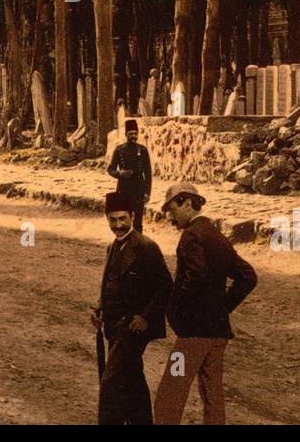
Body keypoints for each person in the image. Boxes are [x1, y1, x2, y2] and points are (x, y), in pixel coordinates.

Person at [153, 183, 257, 426]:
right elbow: (248, 277)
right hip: (218, 333)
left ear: (187, 203)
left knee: (171, 391)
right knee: (213, 396)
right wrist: (221, 308)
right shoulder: (216, 235)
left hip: (192, 336)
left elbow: (195, 275)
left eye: (172, 209)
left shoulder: (191, 236)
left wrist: (177, 311)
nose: (170, 217)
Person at [91, 191, 171, 425]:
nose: (118, 225)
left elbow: (166, 287)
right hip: (114, 327)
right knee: (133, 378)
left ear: (133, 216)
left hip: (133, 328)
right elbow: (111, 283)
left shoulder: (146, 247)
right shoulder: (112, 247)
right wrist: (99, 309)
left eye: (123, 219)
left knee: (110, 382)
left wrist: (145, 317)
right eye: (113, 220)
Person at [106, 118, 153, 232]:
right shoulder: (119, 150)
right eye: (130, 134)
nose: (133, 136)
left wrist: (147, 192)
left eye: (135, 134)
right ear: (126, 134)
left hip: (138, 190)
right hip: (123, 189)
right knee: (123, 220)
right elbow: (110, 169)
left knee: (138, 223)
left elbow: (148, 173)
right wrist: (119, 174)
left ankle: (138, 246)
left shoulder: (143, 150)